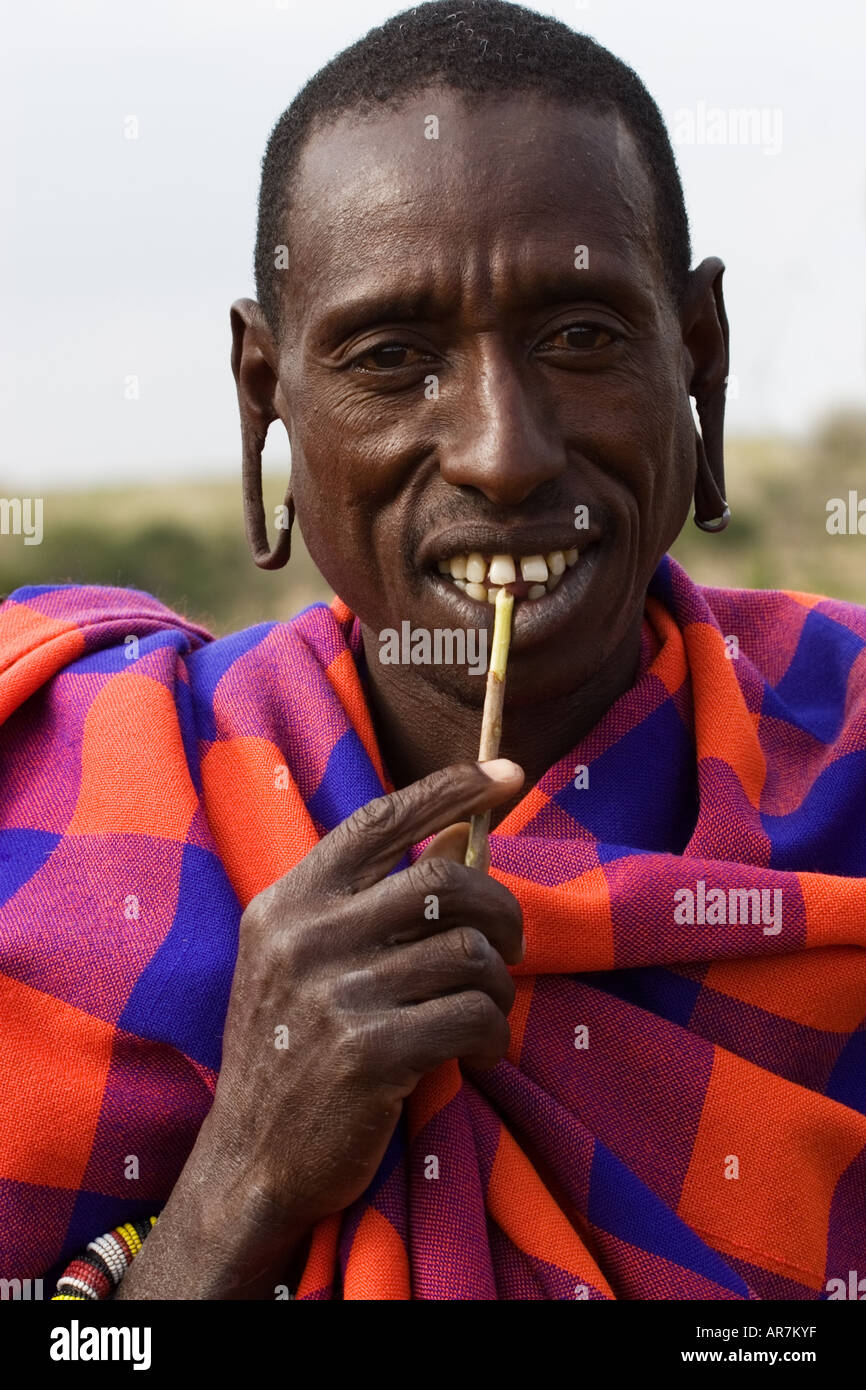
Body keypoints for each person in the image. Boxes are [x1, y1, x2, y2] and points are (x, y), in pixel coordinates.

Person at [3, 0, 865, 1302]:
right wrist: (243, 1175)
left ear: (696, 356)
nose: (501, 452)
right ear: (266, 399)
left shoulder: (845, 758)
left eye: (579, 335)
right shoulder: (60, 804)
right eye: (391, 356)